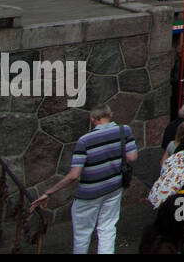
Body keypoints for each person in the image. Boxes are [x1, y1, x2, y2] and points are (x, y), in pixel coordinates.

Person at [29, 105, 138, 254]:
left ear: (92, 119)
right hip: (113, 187)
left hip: (89, 194)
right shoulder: (124, 130)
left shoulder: (84, 140)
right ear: (111, 115)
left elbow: (74, 175)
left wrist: (49, 192)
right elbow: (132, 157)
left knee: (83, 235)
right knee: (107, 228)